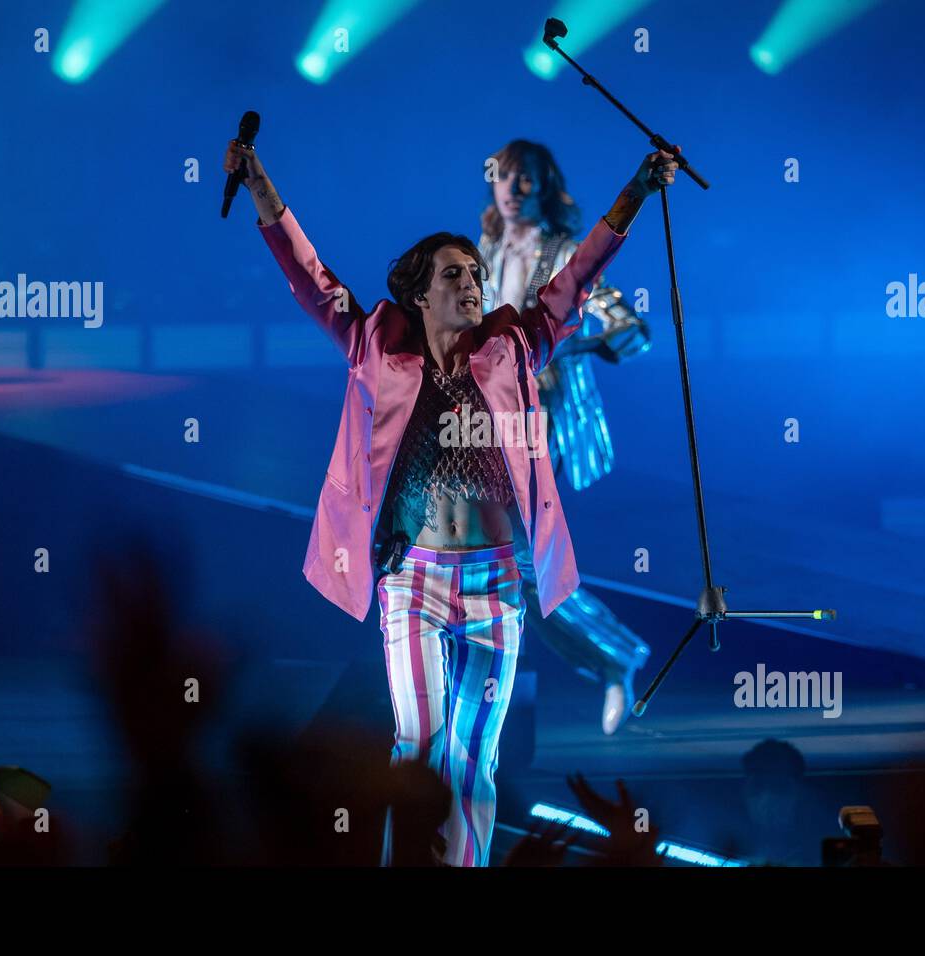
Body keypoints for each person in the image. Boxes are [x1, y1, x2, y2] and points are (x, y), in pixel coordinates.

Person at [224, 137, 679, 866]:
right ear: (418, 291)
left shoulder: (512, 346)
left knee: (476, 761)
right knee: (419, 746)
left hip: (497, 582)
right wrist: (259, 186)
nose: (473, 282)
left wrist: (637, 189)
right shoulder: (376, 342)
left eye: (475, 271)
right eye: (455, 273)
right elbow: (312, 280)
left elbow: (578, 276)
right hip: (415, 581)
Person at [479, 140, 652, 735]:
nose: (512, 188)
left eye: (525, 178)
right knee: (515, 567)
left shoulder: (565, 253)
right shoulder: (483, 250)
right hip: (491, 423)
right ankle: (612, 658)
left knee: (520, 562)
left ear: (543, 186)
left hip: (546, 424)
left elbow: (632, 328)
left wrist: (565, 344)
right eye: (503, 176)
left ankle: (615, 658)